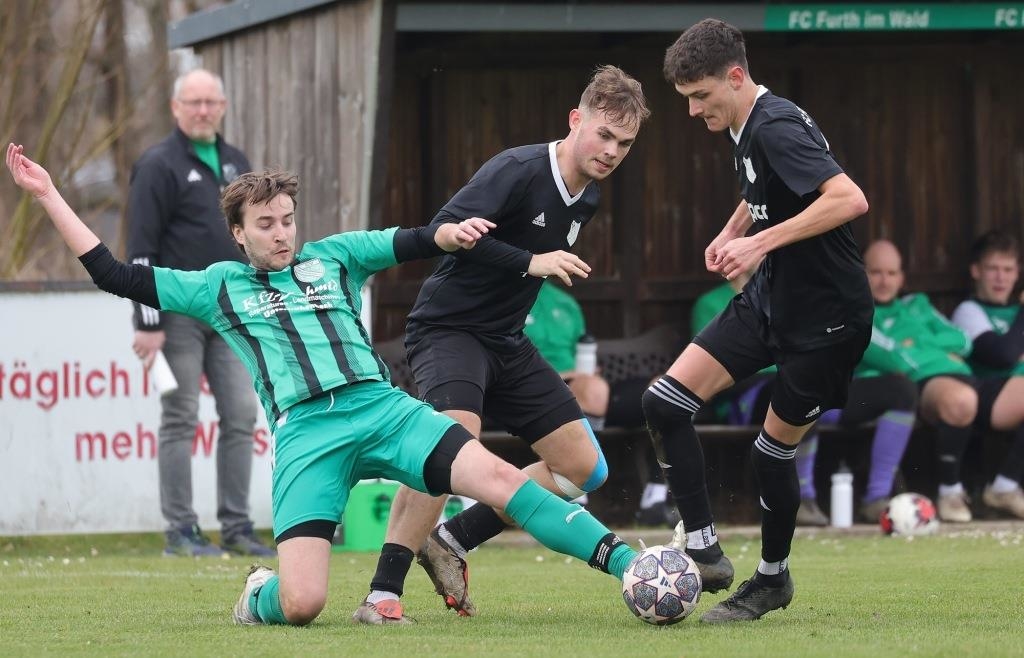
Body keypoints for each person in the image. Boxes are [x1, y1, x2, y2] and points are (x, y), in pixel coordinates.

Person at [5, 144, 645, 627]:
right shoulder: (218, 285)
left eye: (286, 219)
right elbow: (115, 274)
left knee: (504, 481)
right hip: (308, 434)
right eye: (265, 223)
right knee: (304, 604)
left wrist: (450, 234)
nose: (280, 232)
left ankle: (631, 568)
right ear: (239, 232)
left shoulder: (333, 255)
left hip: (382, 408)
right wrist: (48, 195)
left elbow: (420, 238)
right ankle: (261, 590)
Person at [355, 65, 650, 624]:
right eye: (604, 134)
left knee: (585, 469)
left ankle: (453, 539)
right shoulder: (517, 168)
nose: (611, 151)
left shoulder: (586, 198)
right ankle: (381, 595)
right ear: (575, 119)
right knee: (451, 445)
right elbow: (447, 226)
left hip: (505, 342)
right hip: (448, 329)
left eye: (625, 143)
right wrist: (530, 261)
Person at [654, 19, 873, 623]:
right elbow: (766, 188)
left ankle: (772, 580)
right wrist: (733, 231)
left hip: (826, 319)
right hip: (773, 299)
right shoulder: (750, 120)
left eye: (701, 96)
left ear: (735, 76)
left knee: (768, 455)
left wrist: (758, 245)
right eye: (687, 99)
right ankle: (703, 550)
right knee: (664, 404)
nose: (695, 111)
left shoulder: (773, 125)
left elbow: (848, 199)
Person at [126, 69, 271, 557]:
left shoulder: (237, 162)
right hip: (177, 315)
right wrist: (146, 323)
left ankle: (237, 528)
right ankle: (181, 532)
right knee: (180, 415)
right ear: (176, 108)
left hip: (230, 312)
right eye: (194, 102)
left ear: (224, 106)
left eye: (211, 101)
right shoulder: (157, 164)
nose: (203, 110)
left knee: (242, 414)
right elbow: (140, 250)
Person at [524, 279, 678, 527]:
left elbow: (582, 353)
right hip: (526, 389)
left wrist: (583, 373)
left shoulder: (565, 302)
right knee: (590, 389)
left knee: (666, 390)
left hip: (579, 390)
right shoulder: (499, 295)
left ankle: (655, 498)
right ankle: (578, 495)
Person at [859, 239, 982, 522]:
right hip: (900, 391)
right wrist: (934, 352)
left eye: (891, 273)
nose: (884, 280)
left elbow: (963, 340)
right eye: (875, 272)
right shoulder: (861, 312)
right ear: (861, 273)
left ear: (902, 278)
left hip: (960, 379)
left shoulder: (918, 304)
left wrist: (920, 342)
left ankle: (1003, 486)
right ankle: (950, 491)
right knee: (959, 400)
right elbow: (895, 360)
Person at [950, 230, 1024, 518]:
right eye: (993, 269)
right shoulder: (969, 311)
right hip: (983, 397)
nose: (1000, 277)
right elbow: (1002, 355)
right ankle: (1004, 487)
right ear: (976, 271)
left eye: (1007, 270)